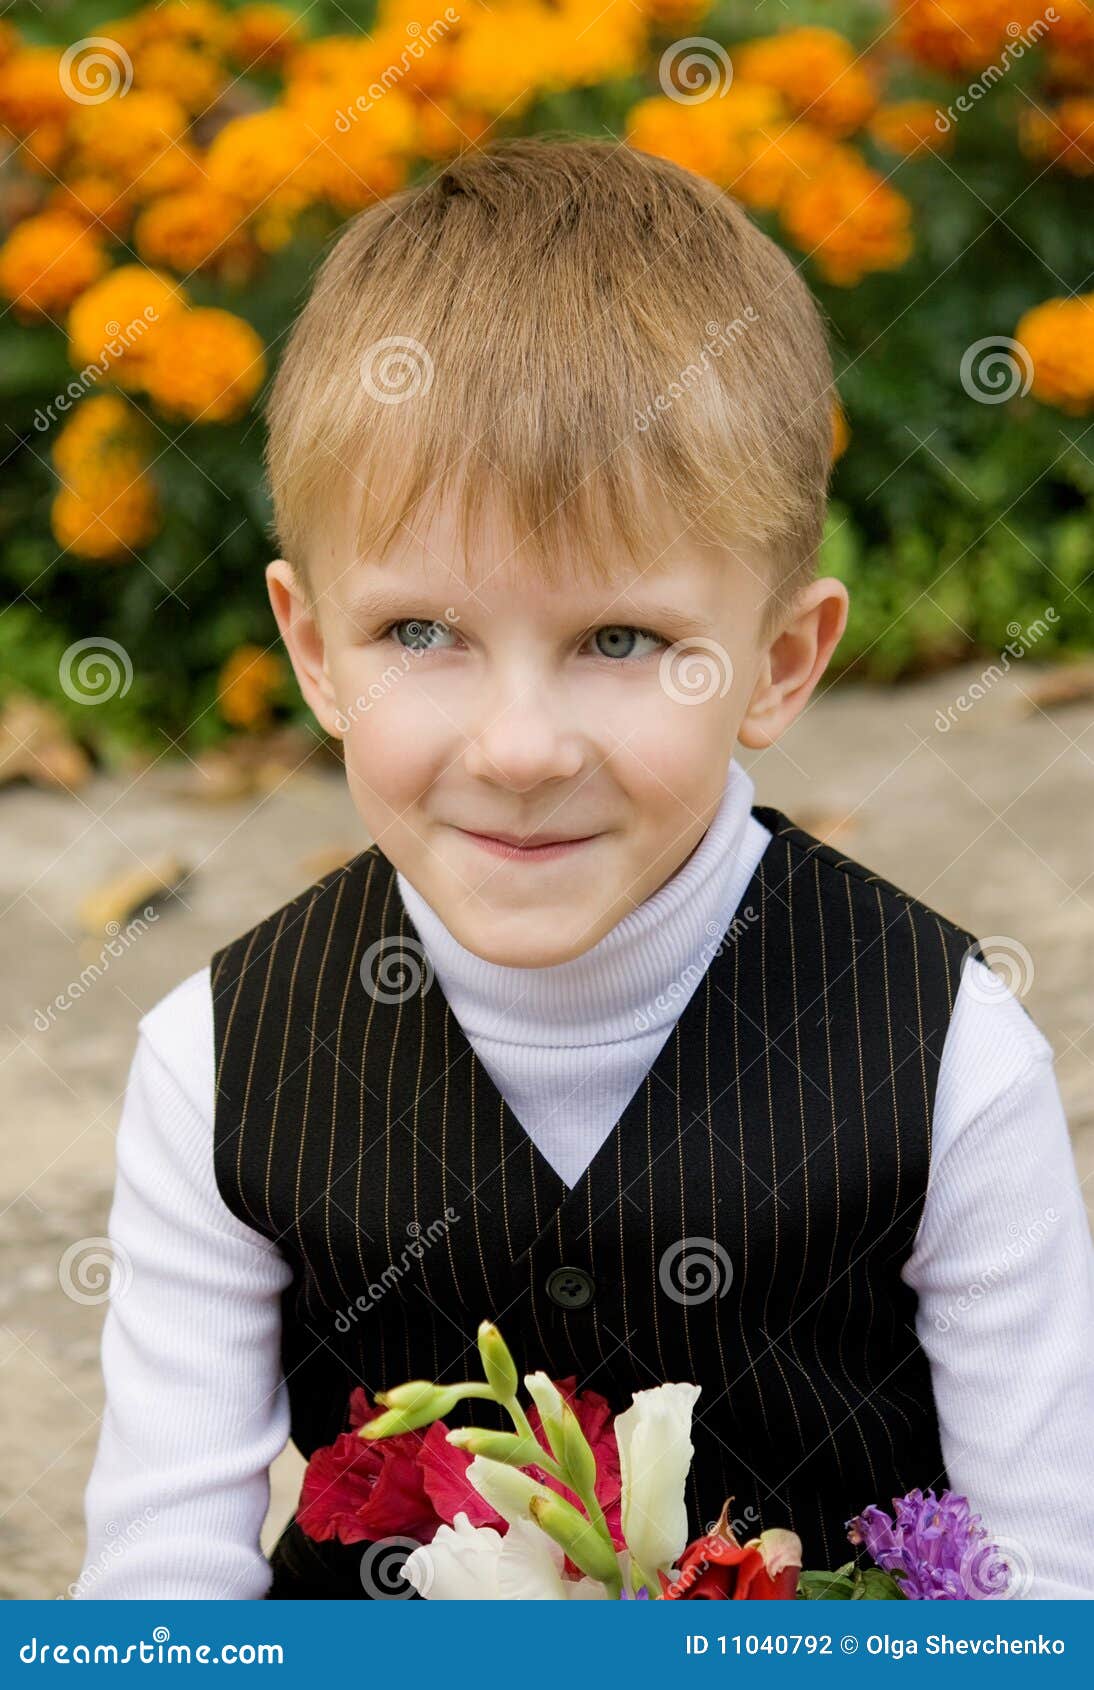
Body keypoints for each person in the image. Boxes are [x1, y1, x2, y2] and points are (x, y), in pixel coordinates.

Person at [75, 136, 1094, 1600]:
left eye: (618, 641)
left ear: (779, 660)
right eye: (421, 632)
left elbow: (1043, 1587)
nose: (519, 744)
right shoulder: (222, 1063)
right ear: (312, 648)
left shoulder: (943, 1054)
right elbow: (162, 1583)